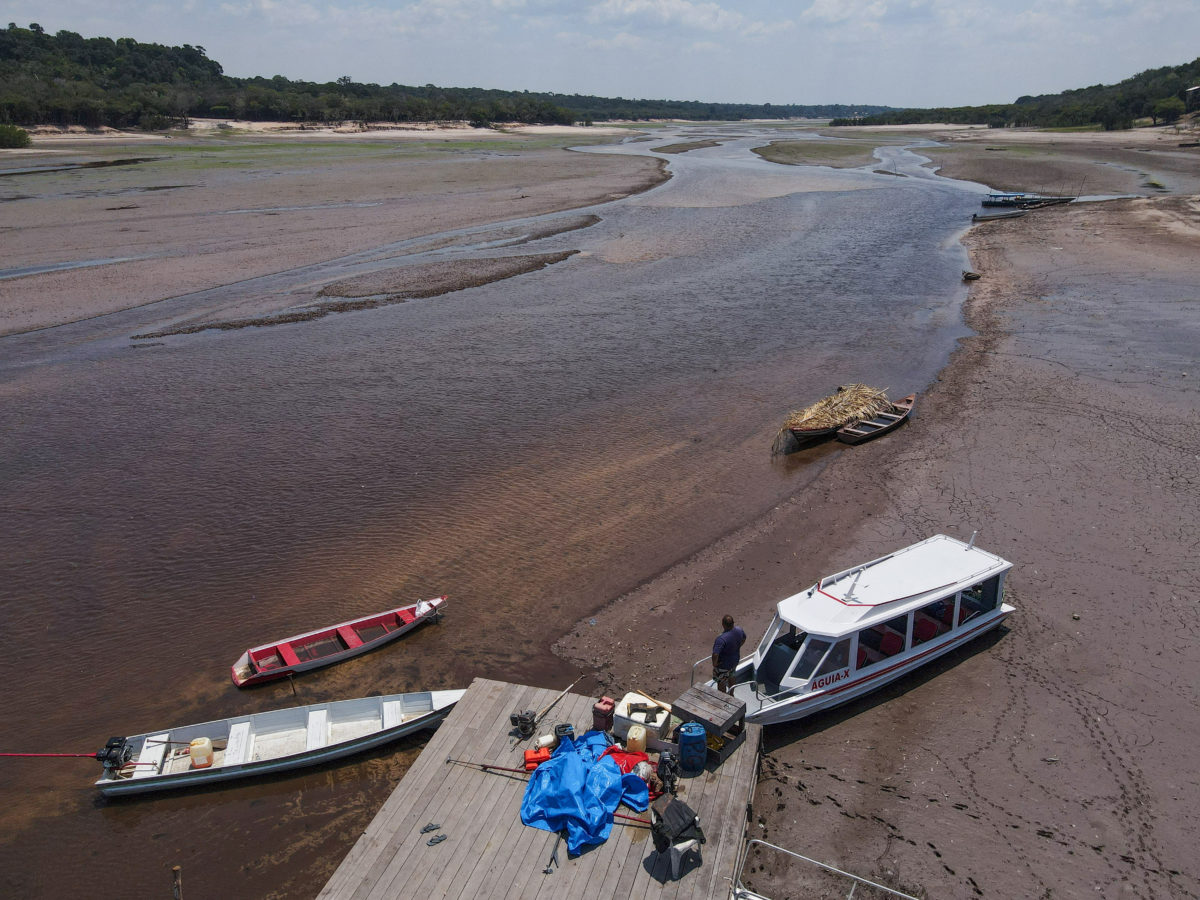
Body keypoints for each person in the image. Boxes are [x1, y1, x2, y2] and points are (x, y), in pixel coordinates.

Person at [711, 615, 746, 694]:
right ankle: (731, 694)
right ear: (733, 623)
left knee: (721, 682)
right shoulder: (739, 630)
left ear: (723, 624)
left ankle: (723, 699)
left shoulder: (721, 639)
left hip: (723, 665)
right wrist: (738, 647)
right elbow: (744, 638)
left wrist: (715, 663)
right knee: (732, 676)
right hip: (734, 661)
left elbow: (715, 654)